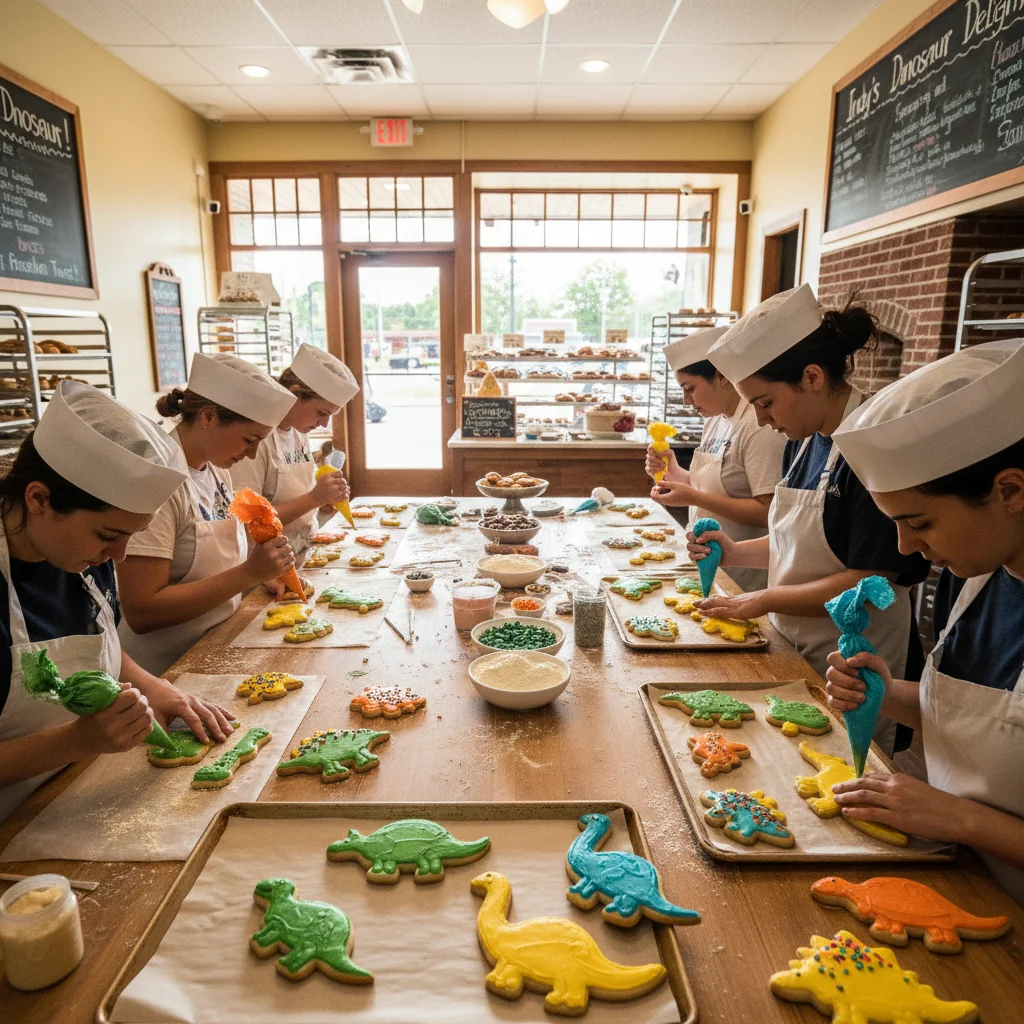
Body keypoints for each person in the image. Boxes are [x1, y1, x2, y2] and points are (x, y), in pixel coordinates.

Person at [823, 339, 1024, 905]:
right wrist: (887, 694)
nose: (905, 548)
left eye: (919, 522)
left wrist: (962, 819)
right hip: (963, 883)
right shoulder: (981, 576)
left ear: (1010, 490)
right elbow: (990, 725)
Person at [677, 285, 928, 729]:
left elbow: (868, 582)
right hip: (797, 645)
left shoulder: (871, 449)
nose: (761, 420)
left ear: (812, 377)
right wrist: (735, 554)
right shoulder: (805, 438)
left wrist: (762, 598)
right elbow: (796, 543)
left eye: (765, 402)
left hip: (857, 663)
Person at [0, 382, 235, 821]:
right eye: (109, 535)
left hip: (69, 793)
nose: (121, 556)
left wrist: (156, 687)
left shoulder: (81, 554)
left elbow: (95, 642)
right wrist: (75, 741)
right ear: (39, 500)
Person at [117, 354, 298, 676]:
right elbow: (142, 612)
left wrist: (263, 573)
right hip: (166, 669)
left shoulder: (215, 471)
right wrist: (246, 575)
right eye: (249, 439)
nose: (252, 454)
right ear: (209, 416)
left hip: (215, 645)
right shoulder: (157, 482)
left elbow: (217, 566)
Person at [647, 326, 785, 590]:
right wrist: (674, 473)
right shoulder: (715, 418)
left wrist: (693, 496)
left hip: (743, 576)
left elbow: (768, 512)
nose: (687, 400)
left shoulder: (759, 426)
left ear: (721, 376)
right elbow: (710, 486)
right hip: (706, 560)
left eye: (690, 388)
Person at [230, 343, 359, 554]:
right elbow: (247, 521)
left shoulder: (299, 431)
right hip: (265, 567)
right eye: (321, 412)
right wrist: (313, 499)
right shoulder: (255, 441)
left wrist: (321, 503)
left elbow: (298, 496)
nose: (325, 424)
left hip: (302, 551)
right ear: (296, 394)